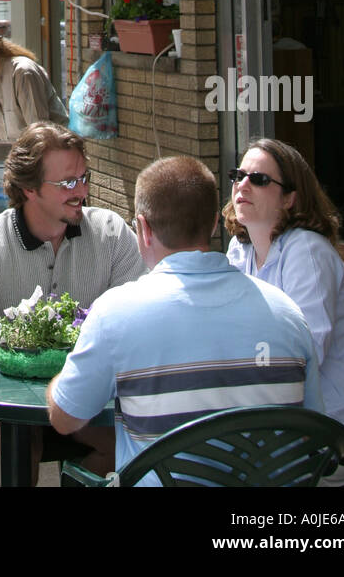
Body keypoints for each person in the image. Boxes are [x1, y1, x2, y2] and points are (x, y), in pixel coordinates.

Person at [47, 155, 323, 484]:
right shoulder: (289, 315)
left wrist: (57, 382)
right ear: (213, 225)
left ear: (143, 229)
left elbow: (65, 419)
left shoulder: (116, 314)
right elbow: (313, 431)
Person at [224, 138, 344, 484]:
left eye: (260, 179)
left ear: (290, 198)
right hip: (281, 418)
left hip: (340, 428)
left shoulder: (306, 253)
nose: (243, 185)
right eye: (239, 176)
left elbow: (305, 355)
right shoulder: (241, 248)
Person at [0, 124, 144, 355]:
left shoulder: (111, 233)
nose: (82, 192)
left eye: (84, 178)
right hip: (3, 389)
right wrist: (18, 337)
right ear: (29, 188)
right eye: (68, 183)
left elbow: (144, 311)